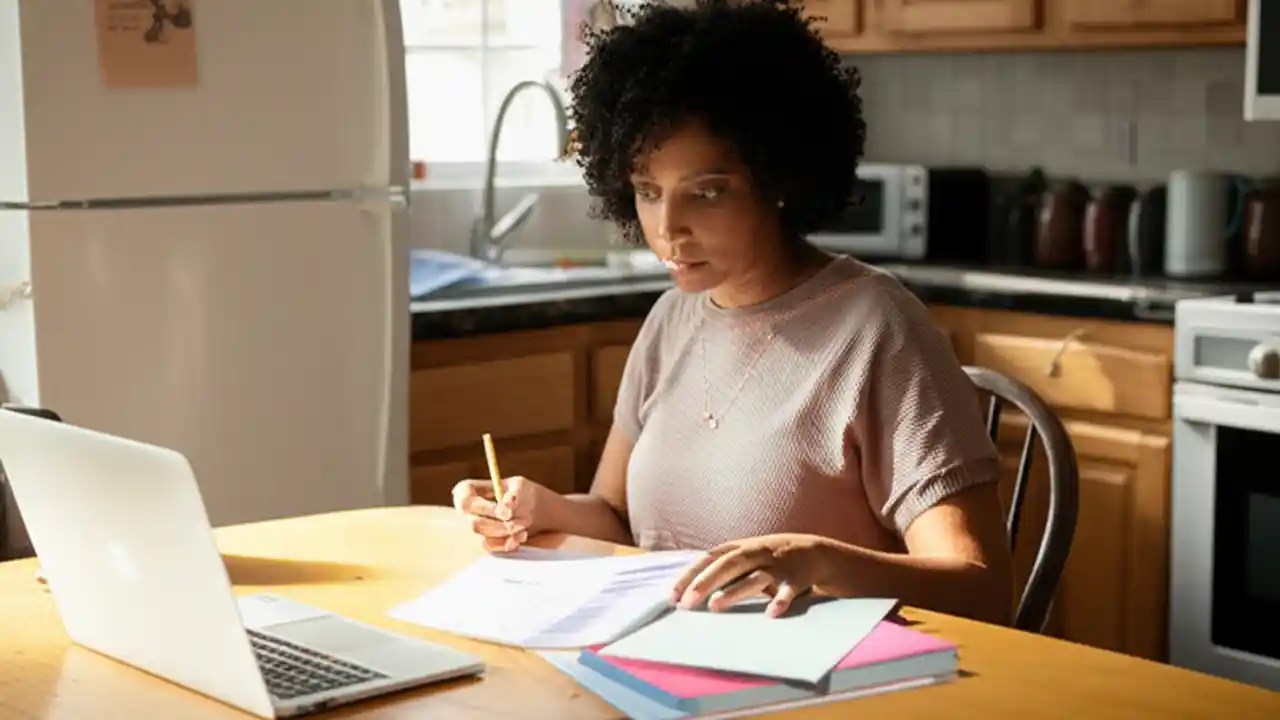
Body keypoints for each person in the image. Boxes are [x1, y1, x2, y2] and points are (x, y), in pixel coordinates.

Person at [452, 0, 1014, 626]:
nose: (668, 229)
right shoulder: (672, 319)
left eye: (708, 191)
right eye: (648, 191)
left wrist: (818, 562)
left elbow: (983, 591)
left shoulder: (878, 328)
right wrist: (543, 508)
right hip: (663, 665)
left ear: (780, 177)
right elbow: (616, 516)